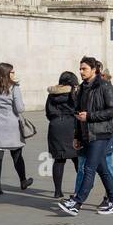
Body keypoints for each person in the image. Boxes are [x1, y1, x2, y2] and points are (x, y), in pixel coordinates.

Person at [58, 56, 113, 216]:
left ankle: (77, 203)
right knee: (103, 170)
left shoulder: (104, 87)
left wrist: (90, 117)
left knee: (89, 168)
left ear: (94, 70)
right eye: (80, 69)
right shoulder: (82, 89)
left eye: (84, 69)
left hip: (101, 133)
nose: (81, 72)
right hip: (87, 134)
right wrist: (77, 136)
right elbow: (78, 114)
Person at [0, 62, 34, 196]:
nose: (14, 74)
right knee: (17, 154)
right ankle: (23, 180)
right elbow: (20, 108)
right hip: (12, 125)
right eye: (12, 72)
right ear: (7, 73)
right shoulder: (14, 87)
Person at [46, 70, 79, 200]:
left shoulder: (52, 94)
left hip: (55, 126)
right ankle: (80, 187)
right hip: (71, 126)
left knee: (59, 160)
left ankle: (57, 191)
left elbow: (48, 112)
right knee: (77, 158)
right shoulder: (74, 93)